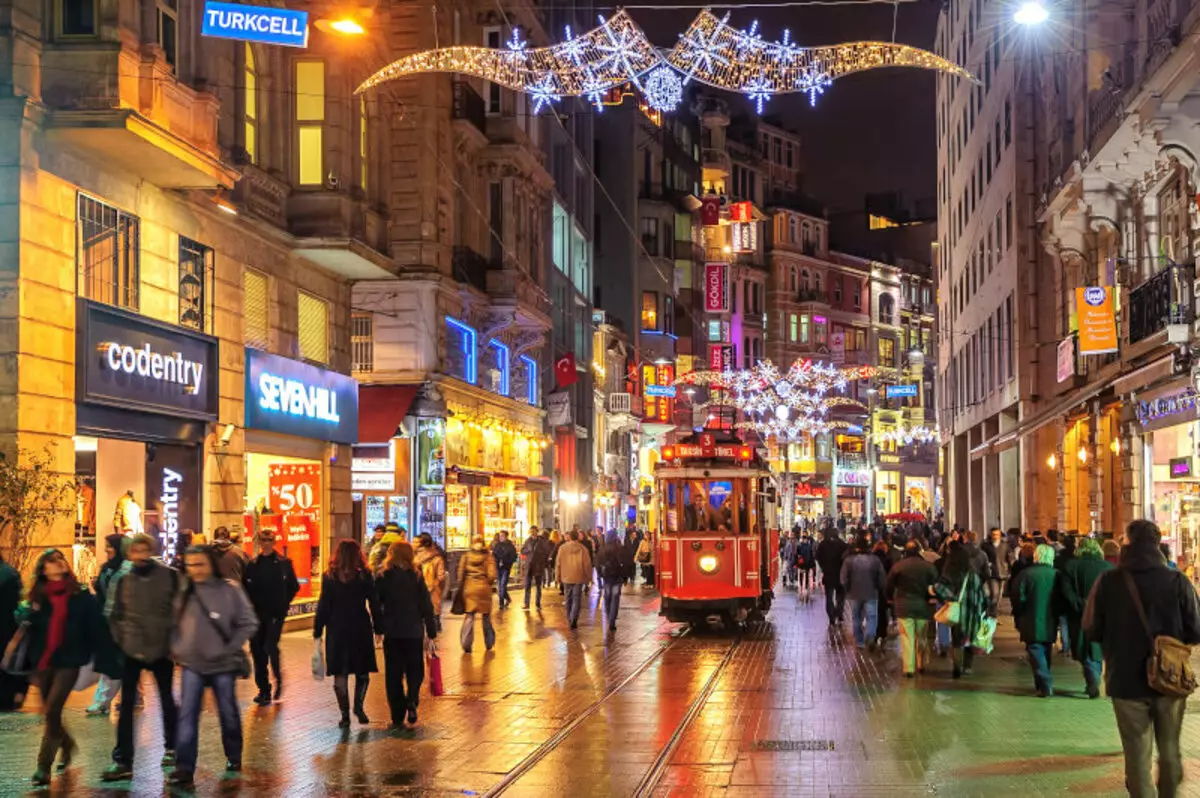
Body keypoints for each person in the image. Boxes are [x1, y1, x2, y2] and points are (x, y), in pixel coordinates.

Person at [1086, 519, 1200, 797]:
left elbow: (1091, 628)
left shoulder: (1109, 581)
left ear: (1128, 543)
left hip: (1125, 679)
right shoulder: (1177, 580)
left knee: (1136, 753)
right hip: (1169, 678)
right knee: (1170, 747)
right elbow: (1196, 629)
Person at [169, 546, 258, 786]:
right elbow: (172, 622)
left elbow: (249, 622)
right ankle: (184, 768)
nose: (195, 570)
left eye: (200, 564)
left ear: (211, 564)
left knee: (228, 713)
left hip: (223, 664)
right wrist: (177, 647)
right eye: (190, 564)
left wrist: (229, 647)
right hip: (192, 664)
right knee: (187, 717)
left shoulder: (230, 590)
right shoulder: (184, 591)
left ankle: (233, 755)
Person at [19, 549, 107, 786]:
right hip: (44, 661)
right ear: (44, 569)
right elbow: (32, 630)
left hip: (69, 661)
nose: (58, 563)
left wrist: (103, 657)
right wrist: (26, 615)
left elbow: (95, 628)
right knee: (50, 712)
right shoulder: (38, 596)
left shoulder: (81, 597)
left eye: (60, 559)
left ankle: (43, 767)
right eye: (51, 561)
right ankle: (67, 745)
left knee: (52, 710)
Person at [103, 534, 181, 781]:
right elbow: (112, 614)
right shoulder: (124, 579)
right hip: (132, 649)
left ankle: (173, 747)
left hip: (162, 648)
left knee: (167, 700)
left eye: (144, 549)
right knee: (126, 706)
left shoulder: (168, 576)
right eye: (135, 550)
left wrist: (173, 642)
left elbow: (180, 609)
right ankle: (123, 759)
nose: (140, 555)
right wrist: (123, 639)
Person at [314, 539, 381, 728]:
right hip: (359, 625)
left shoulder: (330, 576)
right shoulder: (365, 576)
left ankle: (344, 715)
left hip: (337, 628)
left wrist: (318, 629)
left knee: (340, 673)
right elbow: (374, 602)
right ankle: (358, 707)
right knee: (362, 671)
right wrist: (379, 627)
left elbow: (324, 605)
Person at [375, 542, 437, 727]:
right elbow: (426, 605)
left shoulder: (383, 576)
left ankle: (397, 714)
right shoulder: (416, 576)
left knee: (393, 674)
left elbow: (376, 604)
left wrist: (378, 629)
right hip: (413, 631)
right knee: (414, 670)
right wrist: (431, 632)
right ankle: (412, 699)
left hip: (393, 631)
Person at [242, 531, 299, 706]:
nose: (266, 543)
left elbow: (293, 586)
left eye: (269, 540)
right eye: (263, 540)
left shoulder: (283, 564)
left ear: (274, 541)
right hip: (257, 614)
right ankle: (263, 689)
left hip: (275, 614)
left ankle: (277, 678)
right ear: (258, 542)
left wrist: (283, 604)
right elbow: (245, 588)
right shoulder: (252, 565)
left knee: (270, 646)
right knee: (258, 651)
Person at [1060, 537, 1114, 698]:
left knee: (1083, 647)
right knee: (1097, 648)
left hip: (1078, 615)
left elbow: (1066, 590)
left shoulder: (1071, 566)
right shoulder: (1108, 568)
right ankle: (1095, 678)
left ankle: (1092, 680)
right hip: (1103, 615)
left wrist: (1079, 604)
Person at [935, 537, 989, 679]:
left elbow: (940, 588)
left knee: (957, 638)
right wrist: (985, 607)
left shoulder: (950, 572)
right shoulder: (973, 575)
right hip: (972, 610)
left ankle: (957, 665)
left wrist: (948, 598)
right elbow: (981, 594)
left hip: (957, 609)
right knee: (970, 637)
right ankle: (968, 666)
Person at [1011, 544, 1060, 697]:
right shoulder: (1057, 574)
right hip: (1050, 618)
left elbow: (1018, 597)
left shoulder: (1026, 574)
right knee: (1046, 649)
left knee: (1035, 649)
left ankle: (1045, 683)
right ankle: (1042, 682)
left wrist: (1019, 613)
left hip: (1030, 618)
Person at [85, 533, 126, 716]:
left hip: (119, 623)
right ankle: (130, 697)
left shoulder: (124, 569)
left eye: (109, 545)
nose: (105, 549)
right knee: (116, 663)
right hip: (108, 621)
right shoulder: (108, 568)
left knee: (112, 664)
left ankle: (102, 701)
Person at [886, 539, 939, 677]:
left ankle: (908, 668)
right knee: (921, 636)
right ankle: (921, 663)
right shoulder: (928, 567)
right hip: (923, 605)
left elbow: (889, 585)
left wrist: (890, 599)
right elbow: (936, 586)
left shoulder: (898, 566)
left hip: (903, 605)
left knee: (906, 637)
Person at [840, 536, 886, 650]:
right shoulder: (875, 560)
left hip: (854, 593)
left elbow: (843, 578)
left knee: (856, 617)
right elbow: (882, 577)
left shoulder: (849, 560)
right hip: (871, 591)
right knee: (872, 616)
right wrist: (878, 587)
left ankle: (860, 641)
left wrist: (847, 589)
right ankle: (870, 637)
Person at [458, 535, 498, 652]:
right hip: (484, 589)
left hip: (469, 589)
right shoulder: (488, 557)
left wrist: (465, 582)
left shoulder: (466, 556)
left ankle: (466, 643)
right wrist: (488, 583)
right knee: (486, 617)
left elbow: (460, 574)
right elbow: (492, 575)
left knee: (470, 616)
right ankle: (489, 642)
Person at [556, 530, 593, 630]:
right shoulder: (583, 549)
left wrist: (557, 576)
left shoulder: (562, 548)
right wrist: (589, 577)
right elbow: (587, 564)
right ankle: (574, 619)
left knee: (568, 598)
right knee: (577, 598)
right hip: (579, 576)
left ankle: (569, 618)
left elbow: (558, 563)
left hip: (566, 576)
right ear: (578, 537)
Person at [597, 530, 631, 631]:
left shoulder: (602, 549)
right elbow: (626, 564)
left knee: (607, 597)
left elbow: (598, 563)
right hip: (618, 577)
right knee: (615, 598)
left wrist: (600, 574)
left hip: (607, 576)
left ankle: (609, 616)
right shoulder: (620, 548)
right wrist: (625, 577)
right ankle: (612, 620)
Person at [413, 533, 447, 630]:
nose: (412, 543)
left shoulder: (413, 559)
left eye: (415, 542)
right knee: (433, 613)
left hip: (416, 591)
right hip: (433, 589)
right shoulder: (437, 557)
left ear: (422, 544)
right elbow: (441, 576)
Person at [816, 528, 849, 626]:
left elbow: (818, 557)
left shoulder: (823, 545)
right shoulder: (843, 545)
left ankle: (831, 617)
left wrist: (824, 567)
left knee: (829, 598)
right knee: (841, 597)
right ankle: (839, 613)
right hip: (841, 575)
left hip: (828, 575)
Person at [521, 526, 550, 610]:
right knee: (527, 585)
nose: (533, 533)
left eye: (534, 531)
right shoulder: (527, 541)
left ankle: (538, 604)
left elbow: (546, 551)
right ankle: (526, 603)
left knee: (538, 586)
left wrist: (542, 559)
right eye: (531, 532)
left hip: (538, 565)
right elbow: (522, 550)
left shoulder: (541, 541)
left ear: (537, 532)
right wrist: (528, 550)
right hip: (529, 566)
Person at [872, 539, 893, 645]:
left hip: (872, 588)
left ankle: (874, 632)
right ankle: (882, 632)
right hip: (884, 589)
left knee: (873, 611)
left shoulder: (871, 559)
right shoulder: (888, 559)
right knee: (883, 611)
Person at [493, 531, 517, 608]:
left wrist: (505, 562)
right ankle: (506, 599)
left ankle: (501, 603)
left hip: (506, 568)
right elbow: (494, 555)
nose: (501, 537)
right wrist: (497, 562)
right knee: (499, 587)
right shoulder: (497, 545)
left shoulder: (510, 546)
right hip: (498, 568)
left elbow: (513, 557)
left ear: (506, 536)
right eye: (500, 536)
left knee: (502, 586)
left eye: (502, 536)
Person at [797, 531, 816, 600]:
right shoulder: (800, 546)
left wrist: (812, 563)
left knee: (807, 575)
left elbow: (811, 555)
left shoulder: (808, 546)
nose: (804, 540)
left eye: (805, 539)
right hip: (802, 563)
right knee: (802, 575)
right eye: (804, 538)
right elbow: (798, 555)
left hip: (806, 563)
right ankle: (802, 586)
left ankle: (806, 586)